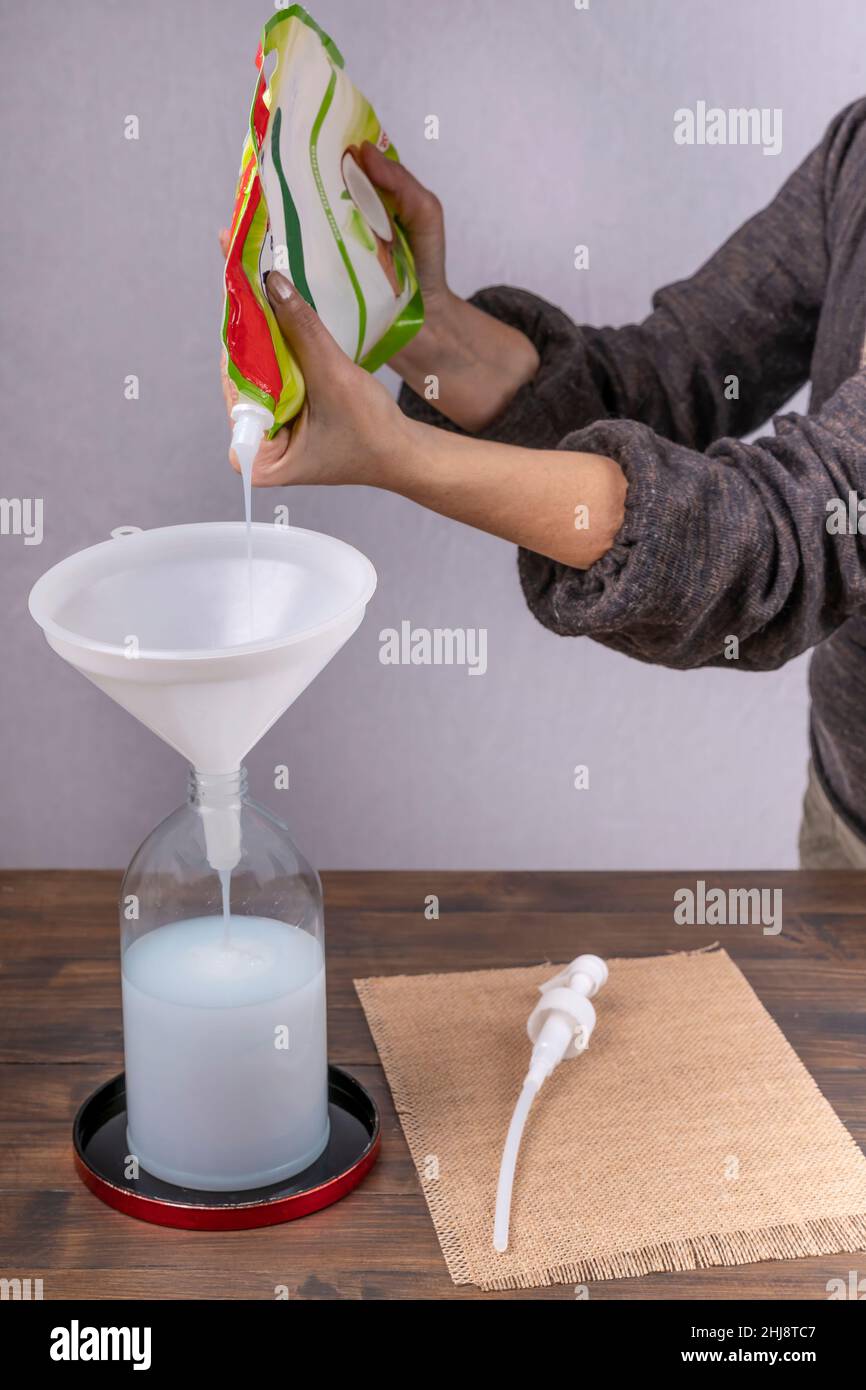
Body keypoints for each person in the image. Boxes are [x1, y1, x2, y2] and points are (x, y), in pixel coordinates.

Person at [221, 100, 866, 869]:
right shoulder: (857, 154)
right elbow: (672, 378)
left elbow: (782, 544)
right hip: (841, 813)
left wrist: (400, 455)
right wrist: (422, 326)